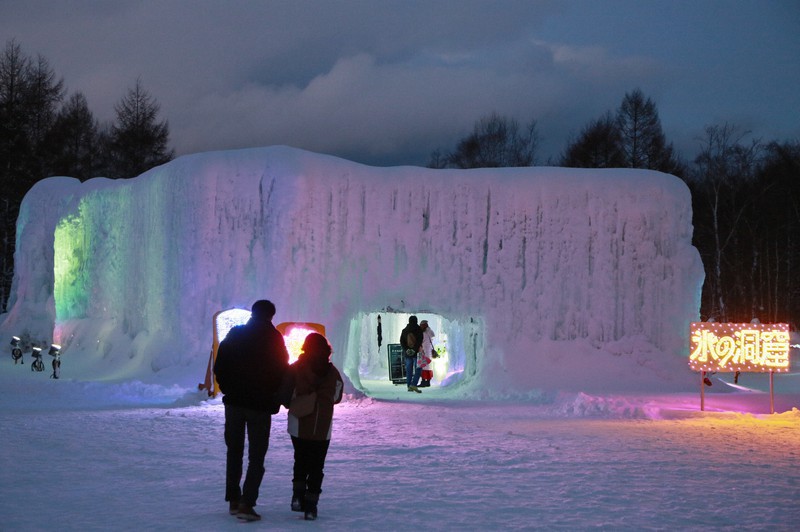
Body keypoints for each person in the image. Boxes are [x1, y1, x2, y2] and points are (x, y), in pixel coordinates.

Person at [213, 299, 290, 522]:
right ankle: (247, 503)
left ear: (252, 313)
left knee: (234, 452)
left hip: (235, 403)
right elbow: (282, 369)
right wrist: (274, 395)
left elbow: (220, 365)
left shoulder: (235, 334)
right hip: (260, 405)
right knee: (257, 456)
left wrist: (229, 388)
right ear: (271, 316)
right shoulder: (274, 338)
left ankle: (234, 500)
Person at [279, 332, 344, 521]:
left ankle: (297, 498)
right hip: (322, 426)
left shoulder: (296, 368)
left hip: (298, 423)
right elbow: (337, 397)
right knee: (317, 465)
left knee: (300, 459)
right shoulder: (333, 373)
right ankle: (311, 506)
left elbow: (285, 392)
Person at [400, 315, 424, 393]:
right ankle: (413, 384)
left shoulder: (405, 330)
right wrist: (414, 349)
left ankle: (409, 385)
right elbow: (419, 341)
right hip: (417, 353)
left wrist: (407, 350)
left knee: (409, 369)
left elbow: (402, 342)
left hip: (407, 354)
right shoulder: (418, 329)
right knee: (418, 368)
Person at [418, 320, 435, 387]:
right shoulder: (429, 332)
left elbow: (421, 341)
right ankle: (427, 381)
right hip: (428, 351)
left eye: (421, 325)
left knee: (423, 366)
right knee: (427, 366)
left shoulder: (424, 332)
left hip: (424, 351)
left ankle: (424, 381)